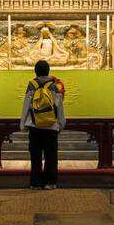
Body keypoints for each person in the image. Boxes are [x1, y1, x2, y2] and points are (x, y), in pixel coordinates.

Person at [20, 58, 66, 190]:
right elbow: (59, 106)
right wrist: (61, 124)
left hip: (34, 125)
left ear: (35, 71)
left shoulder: (31, 85)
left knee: (35, 155)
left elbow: (26, 106)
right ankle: (50, 182)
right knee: (51, 154)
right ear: (48, 71)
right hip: (51, 125)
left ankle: (35, 182)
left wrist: (23, 124)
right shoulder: (53, 86)